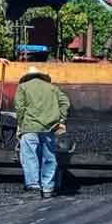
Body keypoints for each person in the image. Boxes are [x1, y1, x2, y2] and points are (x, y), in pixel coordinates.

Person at [15, 66, 71, 199]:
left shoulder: (23, 87)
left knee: (30, 157)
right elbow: (65, 103)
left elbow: (19, 108)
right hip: (49, 128)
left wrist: (21, 123)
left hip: (29, 128)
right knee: (49, 157)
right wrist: (61, 119)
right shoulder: (53, 88)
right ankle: (48, 187)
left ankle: (33, 186)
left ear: (27, 77)